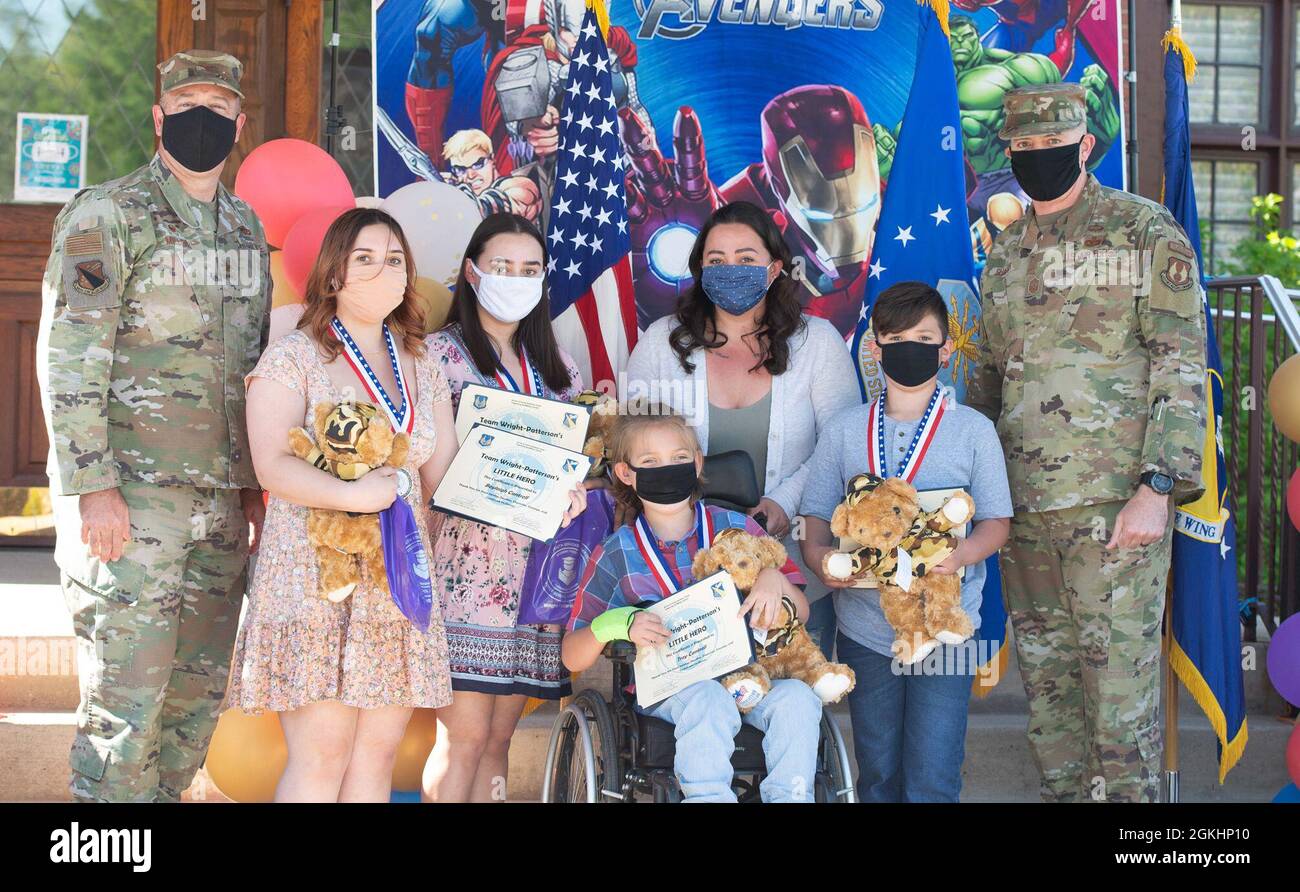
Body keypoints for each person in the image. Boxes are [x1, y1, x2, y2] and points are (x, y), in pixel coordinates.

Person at [35, 49, 269, 803]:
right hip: (134, 502)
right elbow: (71, 354)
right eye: (189, 101)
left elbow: (254, 361)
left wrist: (259, 488)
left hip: (224, 504)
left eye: (221, 104)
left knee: (194, 710)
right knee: (124, 712)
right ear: (160, 117)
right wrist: (93, 485)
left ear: (240, 121)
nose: (207, 116)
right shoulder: (109, 212)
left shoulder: (243, 224)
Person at [965, 83, 1208, 803]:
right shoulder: (1004, 251)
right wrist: (974, 488)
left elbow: (1180, 363)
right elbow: (987, 376)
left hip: (1115, 508)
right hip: (1025, 510)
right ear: (1009, 153)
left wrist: (1158, 487)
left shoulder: (1143, 230)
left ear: (1086, 146)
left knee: (1118, 705)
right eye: (1025, 148)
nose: (1039, 158)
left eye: (1053, 146)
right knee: (1051, 706)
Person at [228, 208, 457, 802]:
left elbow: (447, 475)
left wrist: (544, 494)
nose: (384, 270)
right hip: (313, 579)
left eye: (396, 259)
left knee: (375, 760)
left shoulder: (423, 364)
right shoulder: (294, 357)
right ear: (333, 275)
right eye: (366, 259)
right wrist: (350, 495)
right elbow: (271, 464)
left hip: (397, 579)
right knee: (322, 757)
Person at [799, 282, 1013, 803]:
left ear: (945, 349)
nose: (909, 347)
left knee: (933, 778)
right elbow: (814, 520)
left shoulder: (974, 430)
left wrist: (956, 556)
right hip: (866, 630)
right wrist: (823, 560)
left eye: (923, 337)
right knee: (878, 777)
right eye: (895, 337)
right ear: (874, 348)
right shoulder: (846, 430)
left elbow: (996, 524)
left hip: (948, 629)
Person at [625, 201, 861, 660]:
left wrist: (784, 502)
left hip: (791, 572)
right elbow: (632, 442)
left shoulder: (818, 343)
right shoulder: (661, 342)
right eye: (716, 261)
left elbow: (840, 446)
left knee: (793, 705)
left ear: (775, 269)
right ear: (699, 271)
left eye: (746, 259)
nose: (730, 270)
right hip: (681, 576)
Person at [563, 405, 822, 803]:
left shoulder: (738, 529)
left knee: (800, 699)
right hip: (671, 689)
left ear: (698, 464)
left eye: (679, 459)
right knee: (708, 697)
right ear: (626, 474)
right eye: (651, 461)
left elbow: (800, 613)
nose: (667, 469)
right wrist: (618, 624)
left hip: (749, 674)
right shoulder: (616, 554)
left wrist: (775, 579)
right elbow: (572, 656)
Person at [422, 212, 589, 802]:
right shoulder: (435, 356)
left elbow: (572, 458)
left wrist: (573, 490)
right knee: (462, 739)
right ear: (471, 273)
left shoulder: (557, 364)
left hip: (537, 578)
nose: (516, 280)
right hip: (465, 573)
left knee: (500, 739)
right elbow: (424, 470)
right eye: (502, 268)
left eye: (530, 269)